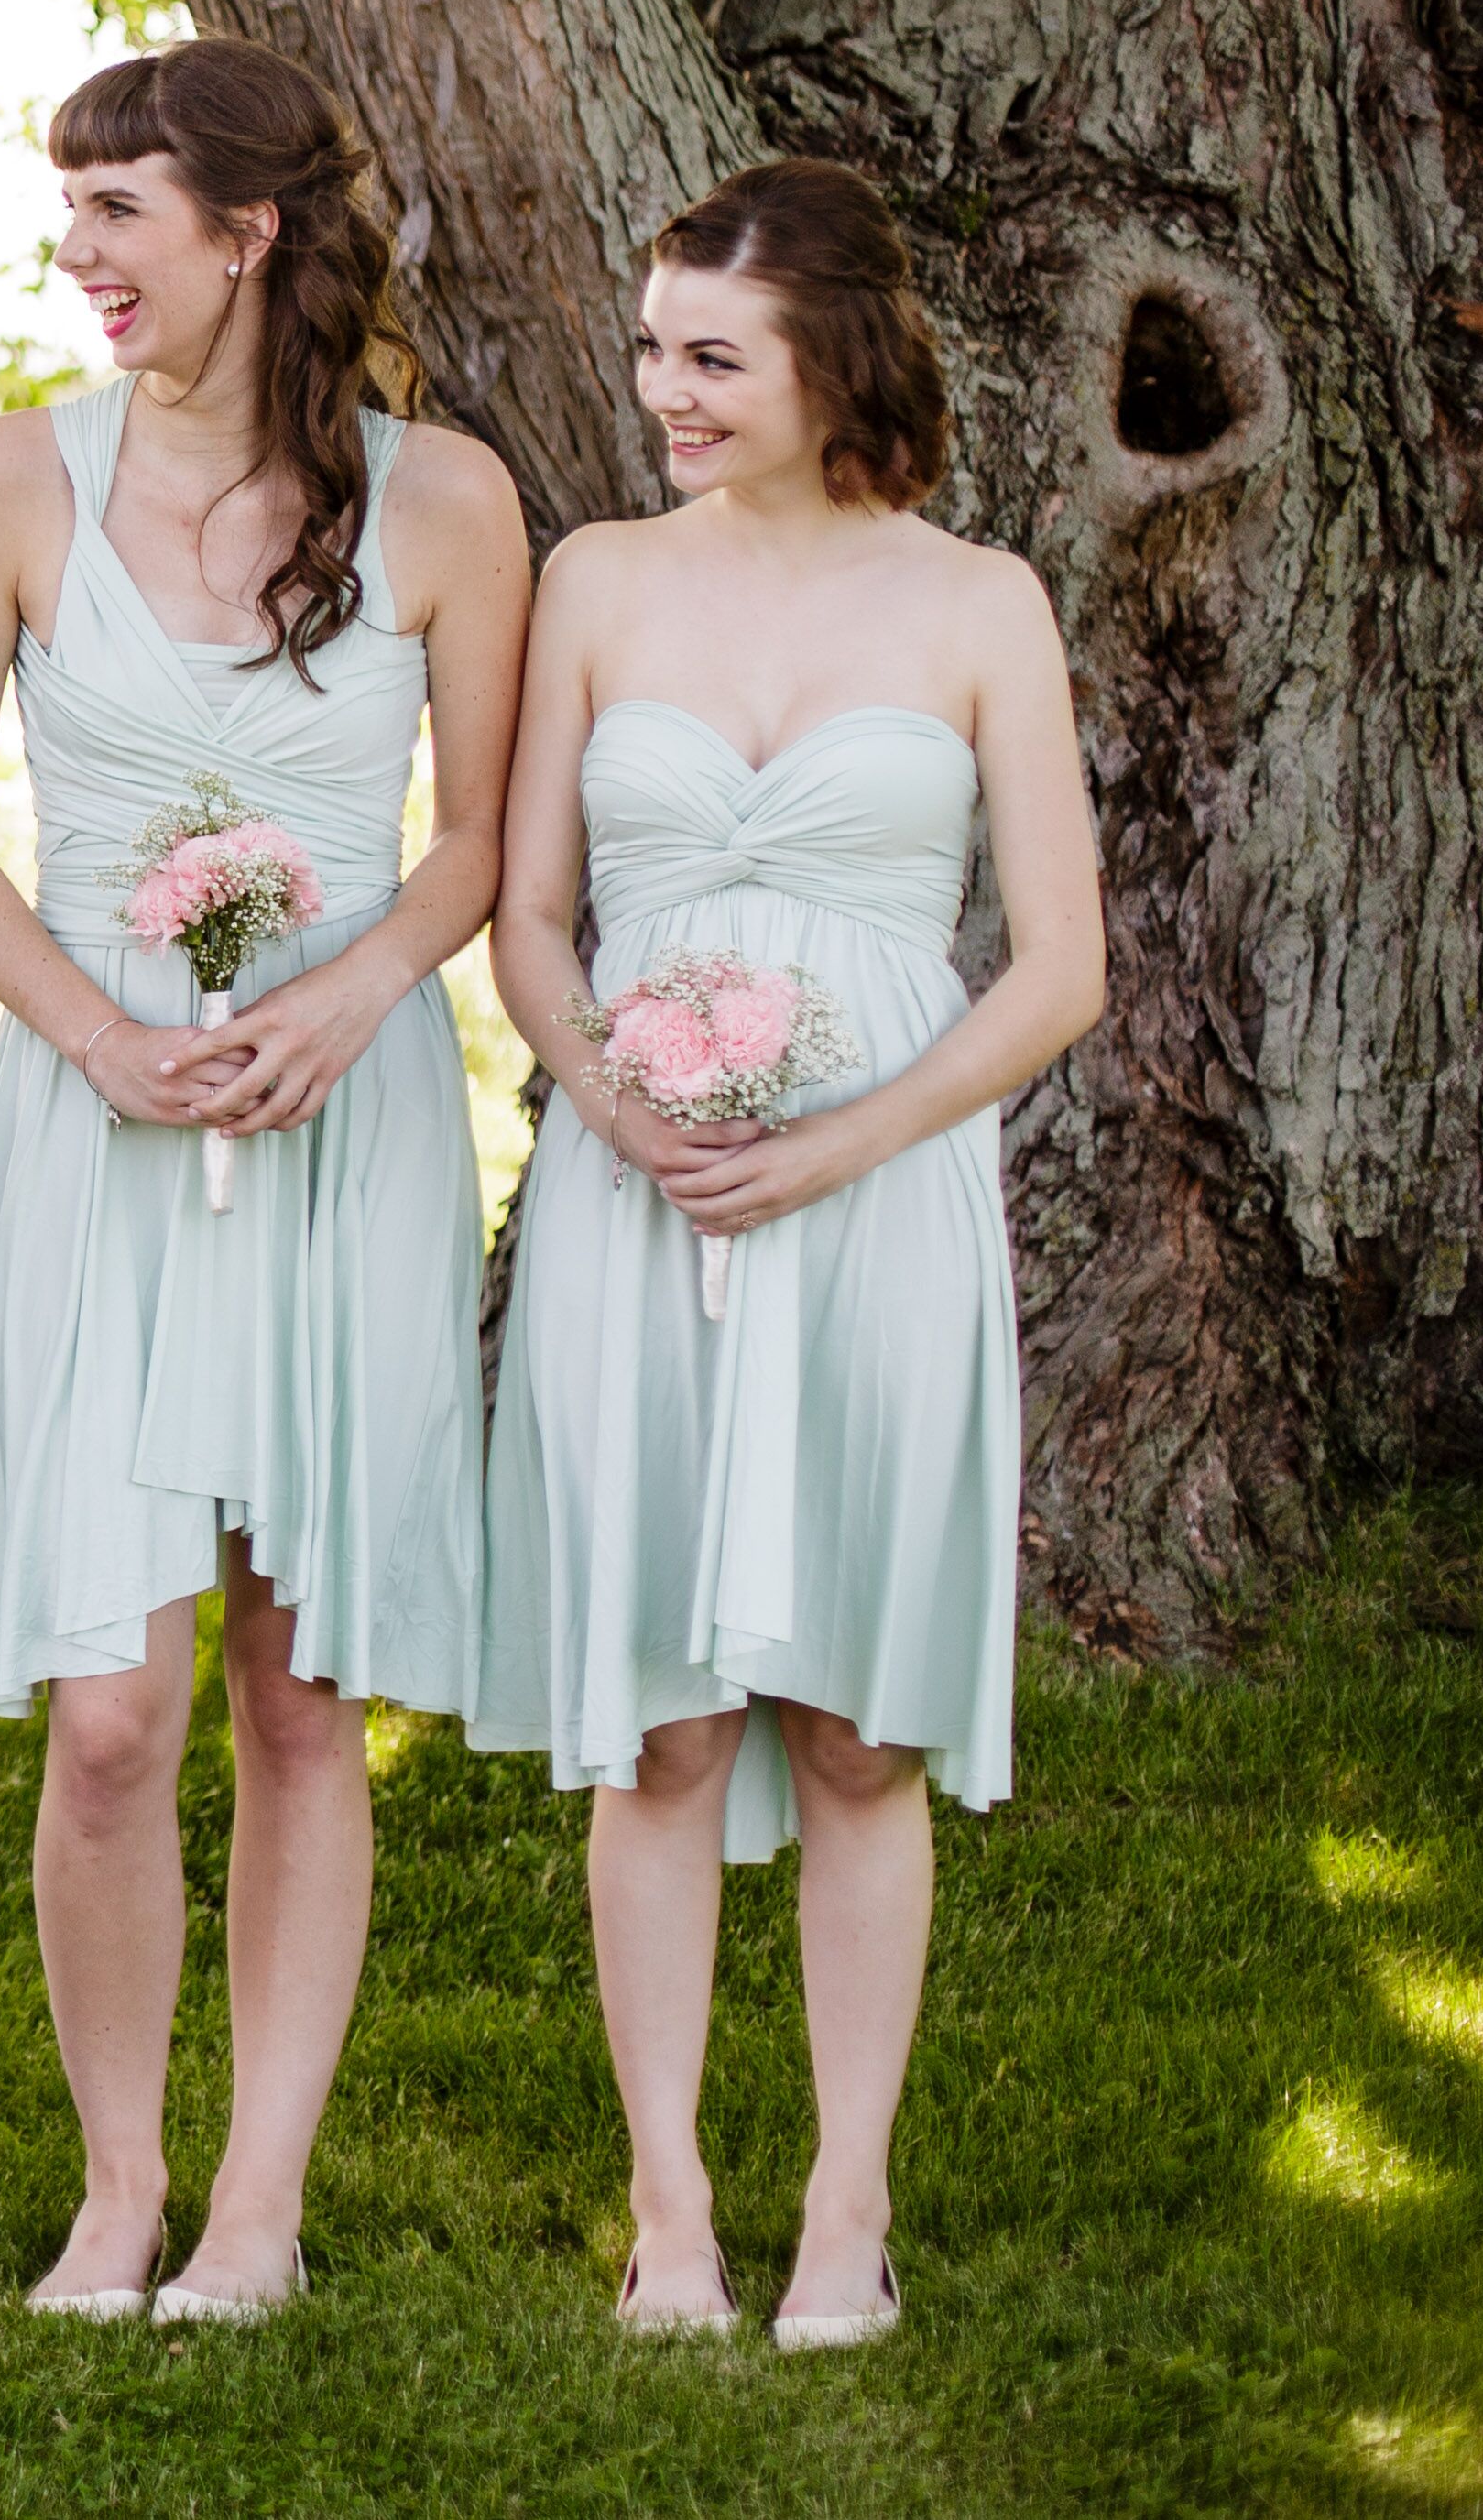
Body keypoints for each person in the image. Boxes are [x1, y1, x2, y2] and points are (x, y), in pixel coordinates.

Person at [0, 38, 531, 2323]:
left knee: (289, 1690)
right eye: (68, 217)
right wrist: (96, 1037)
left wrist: (348, 1001)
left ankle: (256, 2201)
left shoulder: (446, 504)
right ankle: (115, 2182)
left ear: (247, 235)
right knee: (105, 1706)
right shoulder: (7, 484)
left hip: (337, 1119)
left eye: (116, 219)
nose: (78, 262)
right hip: (95, 1123)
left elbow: (471, 844)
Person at [473, 159, 1098, 2351]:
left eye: (704, 357)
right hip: (629, 1201)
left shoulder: (973, 604)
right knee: (654, 1724)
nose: (659, 390)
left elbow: (1054, 973)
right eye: (649, 349)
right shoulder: (594, 579)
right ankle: (668, 2214)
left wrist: (832, 1140)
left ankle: (844, 2210)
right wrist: (609, 1099)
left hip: (876, 1206)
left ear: (829, 355)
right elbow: (528, 915)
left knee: (850, 1728)